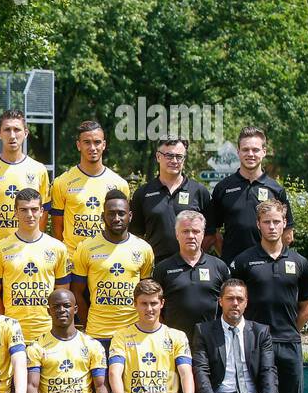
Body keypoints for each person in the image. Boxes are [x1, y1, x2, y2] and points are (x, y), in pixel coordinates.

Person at [229, 199, 308, 393]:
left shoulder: (300, 262)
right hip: (252, 346)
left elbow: (306, 305)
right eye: (267, 222)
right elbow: (234, 301)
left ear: (284, 222)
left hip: (288, 343)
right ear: (258, 225)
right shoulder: (243, 261)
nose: (272, 227)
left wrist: (290, 330)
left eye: (277, 222)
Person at [0, 187, 71, 345]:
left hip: (48, 333)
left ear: (41, 211)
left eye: (34, 209)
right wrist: (6, 323)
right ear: (16, 212)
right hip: (12, 334)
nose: (29, 215)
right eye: (24, 210)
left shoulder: (58, 248)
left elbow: (62, 291)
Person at [71, 190, 154, 350]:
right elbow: (77, 292)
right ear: (103, 216)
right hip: (97, 333)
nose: (116, 218)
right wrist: (87, 324)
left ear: (130, 216)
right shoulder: (86, 248)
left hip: (133, 332)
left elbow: (147, 294)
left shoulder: (143, 249)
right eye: (111, 214)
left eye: (121, 213)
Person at [208, 126, 294, 263]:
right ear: (238, 152)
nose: (250, 154)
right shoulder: (223, 188)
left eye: (255, 150)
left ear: (264, 152)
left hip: (266, 268)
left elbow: (287, 234)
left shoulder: (276, 190)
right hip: (233, 268)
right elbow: (213, 233)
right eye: (245, 149)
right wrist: (228, 258)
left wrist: (272, 259)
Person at [0, 109, 51, 250]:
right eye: (7, 130)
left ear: (25, 133)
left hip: (28, 250)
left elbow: (44, 214)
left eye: (17, 130)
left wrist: (34, 241)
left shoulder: (39, 170)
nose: (12, 135)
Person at [50, 120, 129, 251]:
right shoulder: (62, 182)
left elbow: (123, 227)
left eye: (97, 142)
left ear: (104, 145)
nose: (92, 148)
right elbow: (57, 229)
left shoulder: (120, 184)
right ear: (78, 145)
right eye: (87, 142)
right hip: (73, 259)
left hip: (106, 258)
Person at [130, 137, 211, 264]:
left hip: (189, 268)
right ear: (158, 157)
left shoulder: (199, 191)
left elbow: (210, 234)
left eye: (179, 157)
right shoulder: (143, 193)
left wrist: (196, 258)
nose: (174, 161)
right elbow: (136, 236)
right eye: (169, 155)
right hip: (154, 267)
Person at [152, 210, 229, 338]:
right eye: (185, 231)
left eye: (196, 231)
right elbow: (155, 307)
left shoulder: (219, 266)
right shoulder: (163, 268)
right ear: (177, 234)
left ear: (203, 234)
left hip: (210, 342)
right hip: (173, 342)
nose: (191, 236)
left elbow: (227, 304)